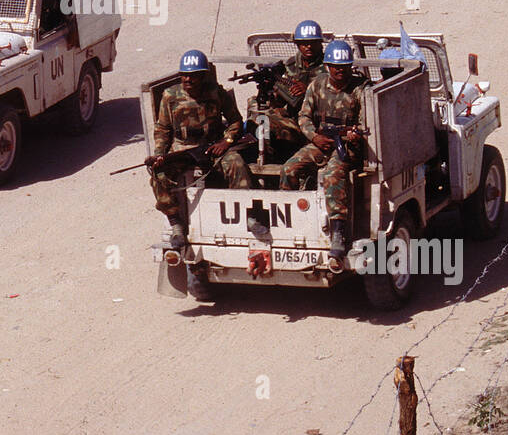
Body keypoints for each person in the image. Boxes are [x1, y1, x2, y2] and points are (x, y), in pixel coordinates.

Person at [147, 49, 253, 251]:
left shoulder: (216, 92)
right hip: (183, 148)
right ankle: (176, 223)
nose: (188, 79)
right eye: (184, 75)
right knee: (158, 176)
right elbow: (162, 128)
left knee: (237, 164)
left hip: (211, 146)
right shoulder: (170, 96)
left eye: (193, 75)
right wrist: (161, 154)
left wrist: (226, 141)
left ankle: (246, 214)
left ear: (202, 76)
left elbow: (235, 122)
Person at [279, 39, 370, 260]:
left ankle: (338, 231)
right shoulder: (318, 85)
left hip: (346, 147)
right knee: (289, 168)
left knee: (332, 174)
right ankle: (288, 223)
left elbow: (366, 124)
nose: (340, 71)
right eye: (336, 66)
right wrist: (315, 137)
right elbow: (304, 116)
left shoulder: (360, 90)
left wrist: (353, 134)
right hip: (321, 142)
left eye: (345, 66)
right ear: (328, 66)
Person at [245, 20, 326, 166]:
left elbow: (338, 95)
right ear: (296, 44)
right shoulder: (290, 66)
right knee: (260, 118)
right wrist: (273, 90)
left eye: (313, 42)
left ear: (320, 43)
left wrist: (308, 89)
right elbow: (280, 100)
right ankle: (267, 159)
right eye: (303, 43)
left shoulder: (330, 67)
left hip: (318, 123)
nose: (308, 46)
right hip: (293, 120)